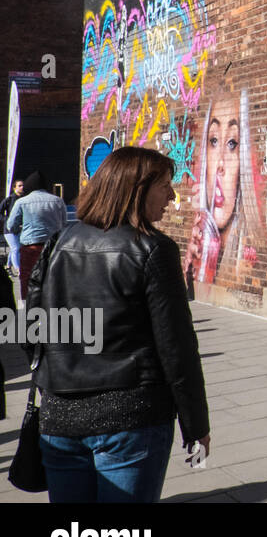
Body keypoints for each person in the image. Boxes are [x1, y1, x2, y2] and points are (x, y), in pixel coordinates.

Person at [27, 146, 210, 503]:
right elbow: (177, 348)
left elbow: (33, 331)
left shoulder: (57, 243)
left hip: (60, 416)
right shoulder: (154, 250)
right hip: (130, 419)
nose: (172, 197)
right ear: (136, 190)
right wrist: (196, 425)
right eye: (165, 186)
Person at [185, 91, 265, 286]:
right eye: (213, 141)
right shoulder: (200, 239)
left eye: (232, 143)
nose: (220, 163)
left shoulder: (250, 256)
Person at [5, 171, 66, 300]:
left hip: (30, 247)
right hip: (54, 247)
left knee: (28, 278)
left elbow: (10, 225)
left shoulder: (22, 202)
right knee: (52, 277)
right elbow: (64, 223)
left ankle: (29, 308)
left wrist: (19, 228)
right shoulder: (58, 201)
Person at [1, 178, 23, 274]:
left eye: (23, 185)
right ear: (14, 188)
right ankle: (18, 269)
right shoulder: (9, 199)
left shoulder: (23, 199)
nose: (22, 187)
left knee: (14, 248)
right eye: (19, 186)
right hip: (9, 229)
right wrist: (6, 220)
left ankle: (8, 266)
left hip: (18, 228)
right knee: (16, 248)